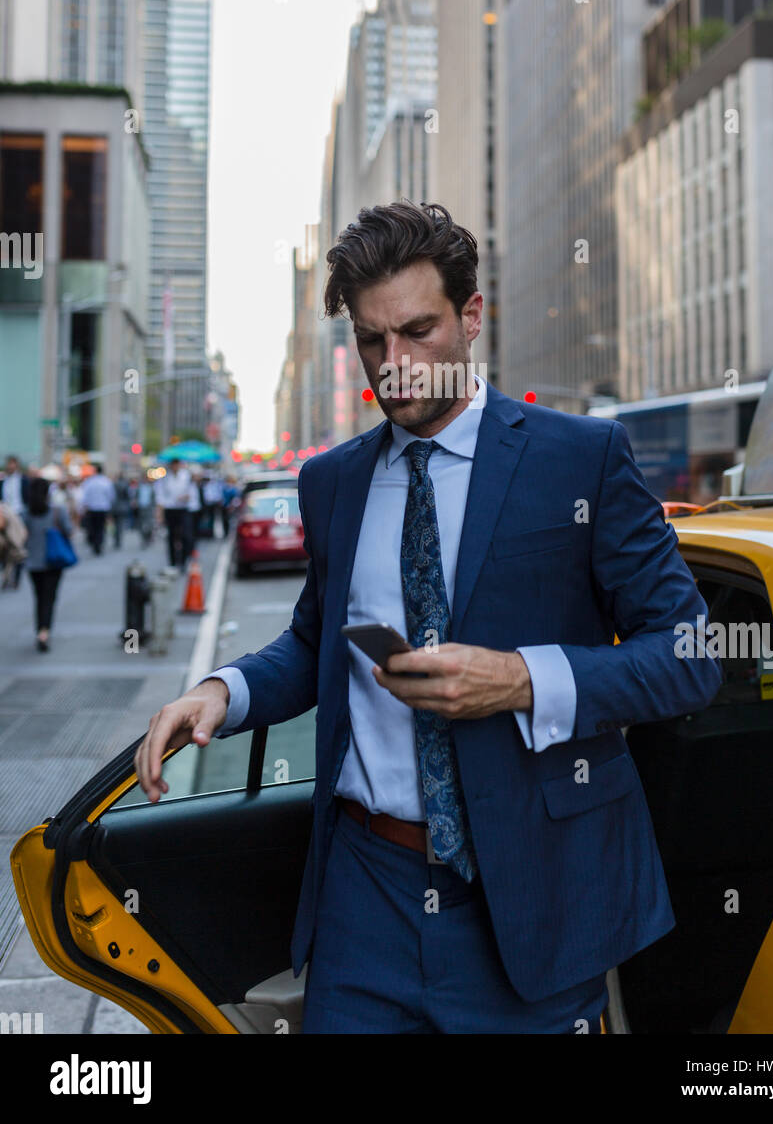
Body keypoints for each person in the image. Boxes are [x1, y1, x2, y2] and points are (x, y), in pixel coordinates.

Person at [134, 201, 722, 1036]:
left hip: (532, 897)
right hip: (364, 898)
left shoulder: (579, 459)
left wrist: (523, 681)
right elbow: (315, 641)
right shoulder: (331, 481)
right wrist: (223, 693)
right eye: (373, 341)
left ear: (472, 317)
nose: (395, 364)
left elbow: (692, 654)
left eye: (418, 331)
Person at [22, 475, 74, 652]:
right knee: (49, 597)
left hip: (33, 562)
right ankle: (44, 631)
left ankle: (40, 630)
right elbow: (69, 530)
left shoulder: (26, 513)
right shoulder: (57, 511)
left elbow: (22, 536)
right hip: (54, 560)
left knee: (39, 597)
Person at [155, 459, 193, 568]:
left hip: (183, 509)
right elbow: (160, 496)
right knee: (171, 536)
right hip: (170, 509)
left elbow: (191, 491)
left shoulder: (186, 476)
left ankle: (183, 560)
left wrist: (186, 496)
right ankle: (172, 562)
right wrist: (160, 513)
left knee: (185, 535)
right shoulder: (165, 479)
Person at [1, 455, 30, 587]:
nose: (10, 466)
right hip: (5, 516)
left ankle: (16, 576)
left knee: (17, 545)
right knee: (4, 546)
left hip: (19, 515)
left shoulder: (24, 480)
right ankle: (6, 573)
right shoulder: (3, 481)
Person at [80, 466, 115, 555]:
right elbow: (111, 496)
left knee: (93, 527)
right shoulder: (106, 482)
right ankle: (99, 543)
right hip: (103, 508)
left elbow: (84, 496)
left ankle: (95, 543)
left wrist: (84, 506)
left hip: (91, 508)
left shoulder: (89, 481)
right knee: (100, 527)